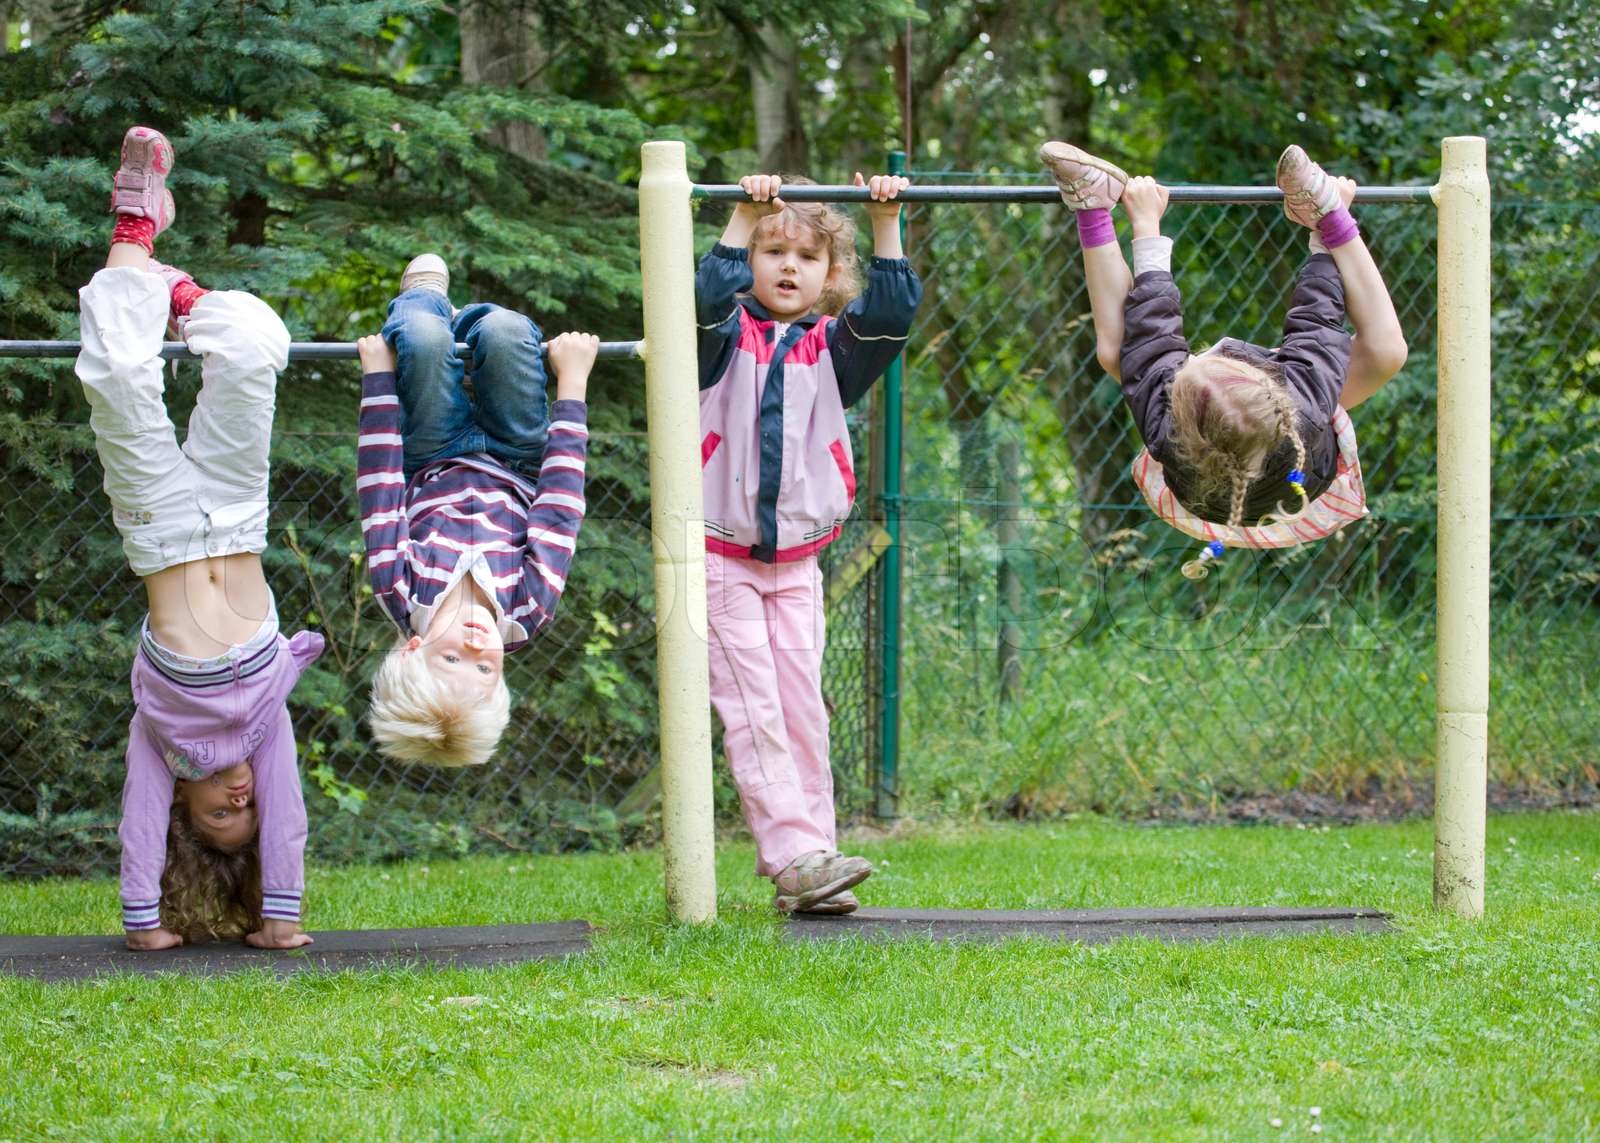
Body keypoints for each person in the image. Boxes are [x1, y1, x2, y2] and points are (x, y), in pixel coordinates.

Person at [74, 126, 323, 950]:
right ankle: (178, 296)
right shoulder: (268, 725)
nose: (242, 791)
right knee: (254, 348)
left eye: (223, 809)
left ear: (188, 806)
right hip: (236, 519)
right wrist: (279, 916)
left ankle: (135, 231)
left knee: (116, 377)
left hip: (162, 538)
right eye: (245, 806)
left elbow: (136, 823)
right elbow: (287, 818)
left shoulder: (159, 741)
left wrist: (144, 923)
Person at [695, 171, 923, 913]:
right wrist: (740, 214)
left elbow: (892, 313)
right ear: (752, 262)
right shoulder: (720, 338)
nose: (788, 267)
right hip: (718, 558)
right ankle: (792, 856)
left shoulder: (833, 350)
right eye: (772, 251)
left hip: (798, 565)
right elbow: (695, 303)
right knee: (754, 707)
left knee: (801, 709)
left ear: (831, 276)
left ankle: (814, 862)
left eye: (807, 257)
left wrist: (884, 219)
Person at [1039, 141, 1409, 577]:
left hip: (1206, 485)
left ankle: (1094, 203)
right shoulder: (1306, 407)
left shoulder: (1167, 428)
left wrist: (1146, 227)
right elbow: (1318, 321)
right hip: (1304, 476)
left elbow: (1151, 336)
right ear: (1276, 382)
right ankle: (1326, 208)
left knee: (1115, 352)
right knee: (1388, 351)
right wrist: (1327, 230)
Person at [354, 257, 597, 766]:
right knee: (505, 333)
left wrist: (378, 381)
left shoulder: (398, 590)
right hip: (519, 457)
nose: (475, 647)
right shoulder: (527, 610)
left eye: (451, 659)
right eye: (485, 670)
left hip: (431, 452)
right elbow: (560, 507)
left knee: (420, 339)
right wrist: (573, 385)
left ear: (411, 650)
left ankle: (426, 303)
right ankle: (470, 325)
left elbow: (379, 488)